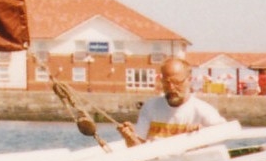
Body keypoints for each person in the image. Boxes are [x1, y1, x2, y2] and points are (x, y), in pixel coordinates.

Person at [91, 57, 224, 146]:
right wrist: (129, 137)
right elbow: (138, 149)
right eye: (166, 83)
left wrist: (204, 131)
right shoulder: (150, 107)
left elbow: (224, 134)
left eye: (177, 83)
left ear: (189, 80)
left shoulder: (203, 111)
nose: (171, 88)